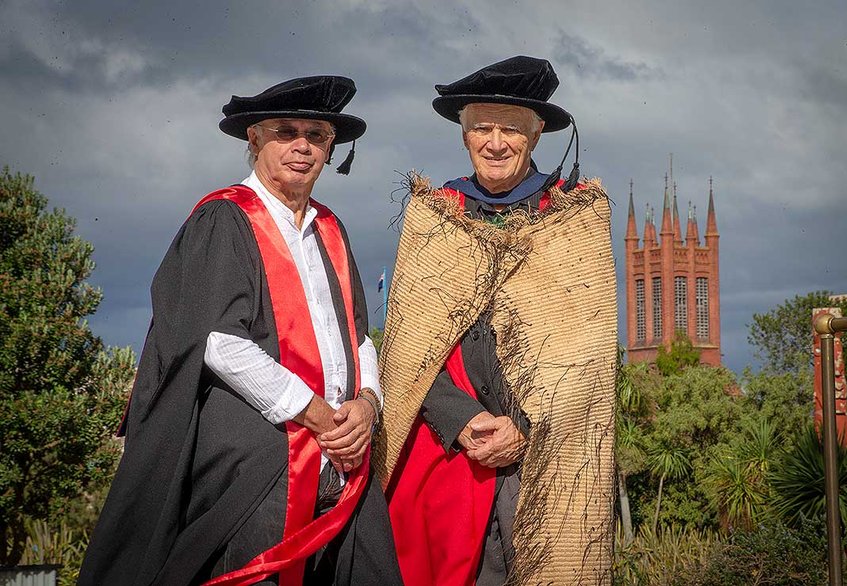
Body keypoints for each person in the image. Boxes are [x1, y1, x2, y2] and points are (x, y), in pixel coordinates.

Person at [80, 76, 403, 586]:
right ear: (254, 140)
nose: (303, 146)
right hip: (259, 463)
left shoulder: (330, 229)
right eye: (286, 131)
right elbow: (219, 343)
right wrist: (318, 415)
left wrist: (366, 403)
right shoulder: (224, 219)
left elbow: (358, 335)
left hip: (341, 464)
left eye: (317, 135)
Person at [377, 56, 618, 585]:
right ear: (464, 136)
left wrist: (525, 428)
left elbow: (588, 359)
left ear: (535, 135)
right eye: (481, 127)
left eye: (510, 127)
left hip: (546, 453)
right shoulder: (438, 216)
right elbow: (406, 351)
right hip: (449, 448)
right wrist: (460, 418)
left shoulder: (571, 217)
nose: (495, 141)